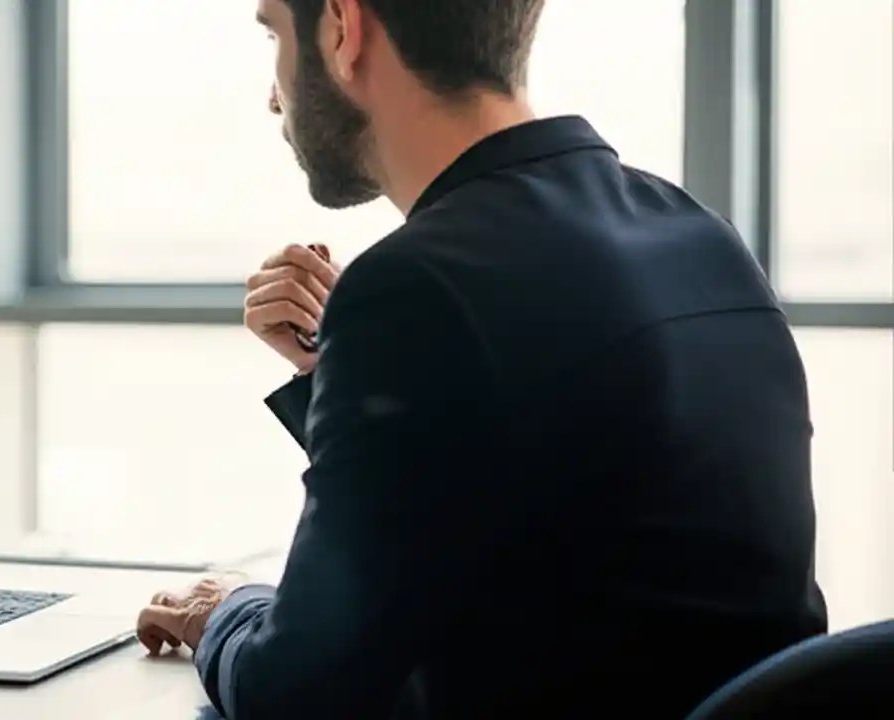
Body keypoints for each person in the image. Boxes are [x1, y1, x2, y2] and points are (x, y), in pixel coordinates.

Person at [136, 0, 829, 717]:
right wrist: (337, 373)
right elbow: (558, 534)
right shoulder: (698, 234)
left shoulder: (417, 288)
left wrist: (224, 611)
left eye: (275, 33)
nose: (275, 93)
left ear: (342, 29)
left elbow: (298, 693)